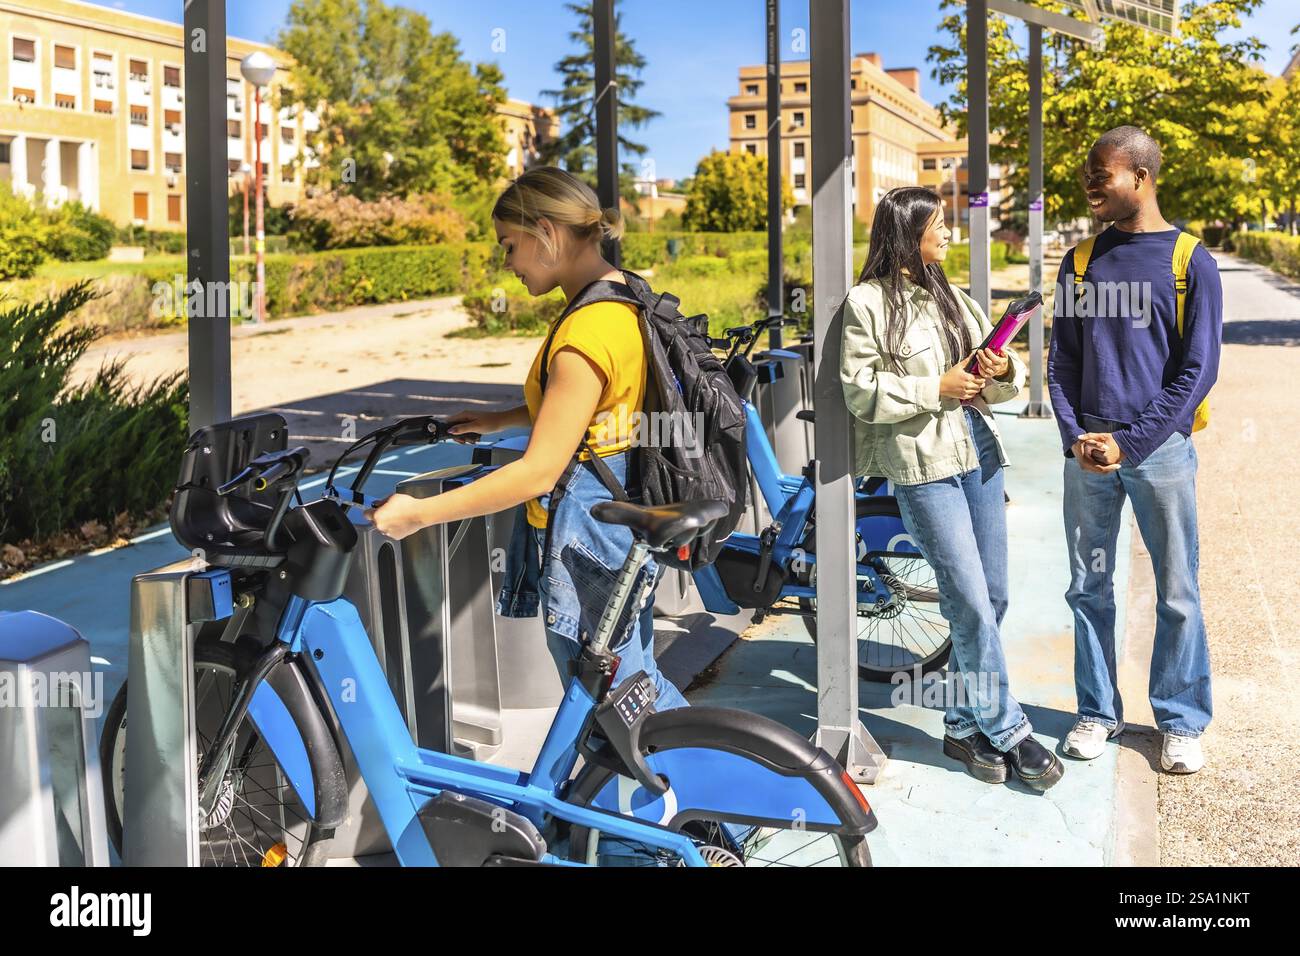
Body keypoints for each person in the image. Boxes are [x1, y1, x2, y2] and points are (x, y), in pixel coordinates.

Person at [367, 165, 687, 712]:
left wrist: (418, 514)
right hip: (617, 523)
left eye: (509, 245)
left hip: (585, 541)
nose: (508, 263)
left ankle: (725, 785)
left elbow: (538, 471)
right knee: (636, 692)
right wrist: (501, 419)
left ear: (547, 233)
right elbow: (600, 409)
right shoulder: (622, 296)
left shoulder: (585, 329)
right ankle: (716, 778)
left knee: (614, 716)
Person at [840, 186, 1063, 791]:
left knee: (991, 595)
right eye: (939, 224)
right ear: (908, 231)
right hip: (923, 465)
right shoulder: (864, 304)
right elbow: (859, 392)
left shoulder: (955, 298)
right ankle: (1010, 728)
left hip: (981, 452)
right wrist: (933, 388)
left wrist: (999, 369)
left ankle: (963, 722)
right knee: (965, 594)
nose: (949, 234)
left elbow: (1003, 385)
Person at [1047, 126, 1221, 774]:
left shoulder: (1190, 261)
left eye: (1104, 174)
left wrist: (1132, 442)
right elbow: (1061, 360)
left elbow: (1197, 370)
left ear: (1142, 179)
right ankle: (1096, 712)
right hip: (1089, 457)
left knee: (1178, 589)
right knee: (1088, 587)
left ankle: (1179, 720)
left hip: (1161, 456)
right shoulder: (1080, 262)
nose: (1091, 184)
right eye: (1089, 175)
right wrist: (1076, 438)